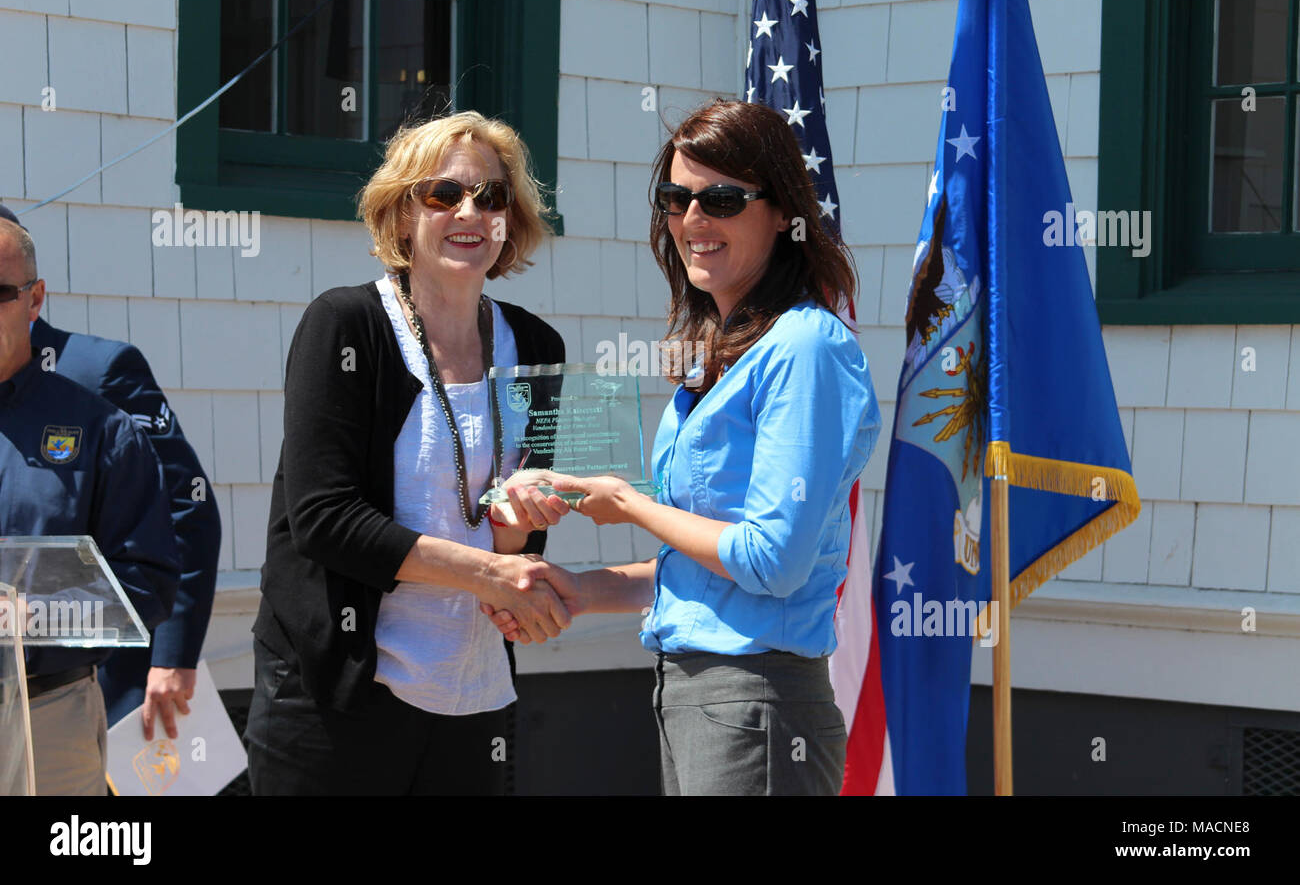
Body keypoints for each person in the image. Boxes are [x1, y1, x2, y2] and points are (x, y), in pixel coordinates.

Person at [485, 100, 881, 795]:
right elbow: (699, 571)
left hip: (757, 701)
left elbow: (771, 561)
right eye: (677, 198)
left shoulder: (804, 348)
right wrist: (577, 590)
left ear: (781, 212)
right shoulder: (729, 354)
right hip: (701, 698)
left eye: (721, 199)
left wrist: (631, 506)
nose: (693, 221)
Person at [244, 111, 574, 795]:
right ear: (399, 216)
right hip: (337, 696)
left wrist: (516, 531)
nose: (470, 211)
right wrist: (485, 571)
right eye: (443, 194)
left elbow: (518, 538)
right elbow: (323, 518)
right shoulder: (346, 325)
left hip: (472, 688)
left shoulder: (538, 348)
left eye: (491, 196)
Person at [0, 204, 223, 745]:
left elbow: (186, 509)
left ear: (33, 295)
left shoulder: (95, 374)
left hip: (78, 681)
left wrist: (172, 656)